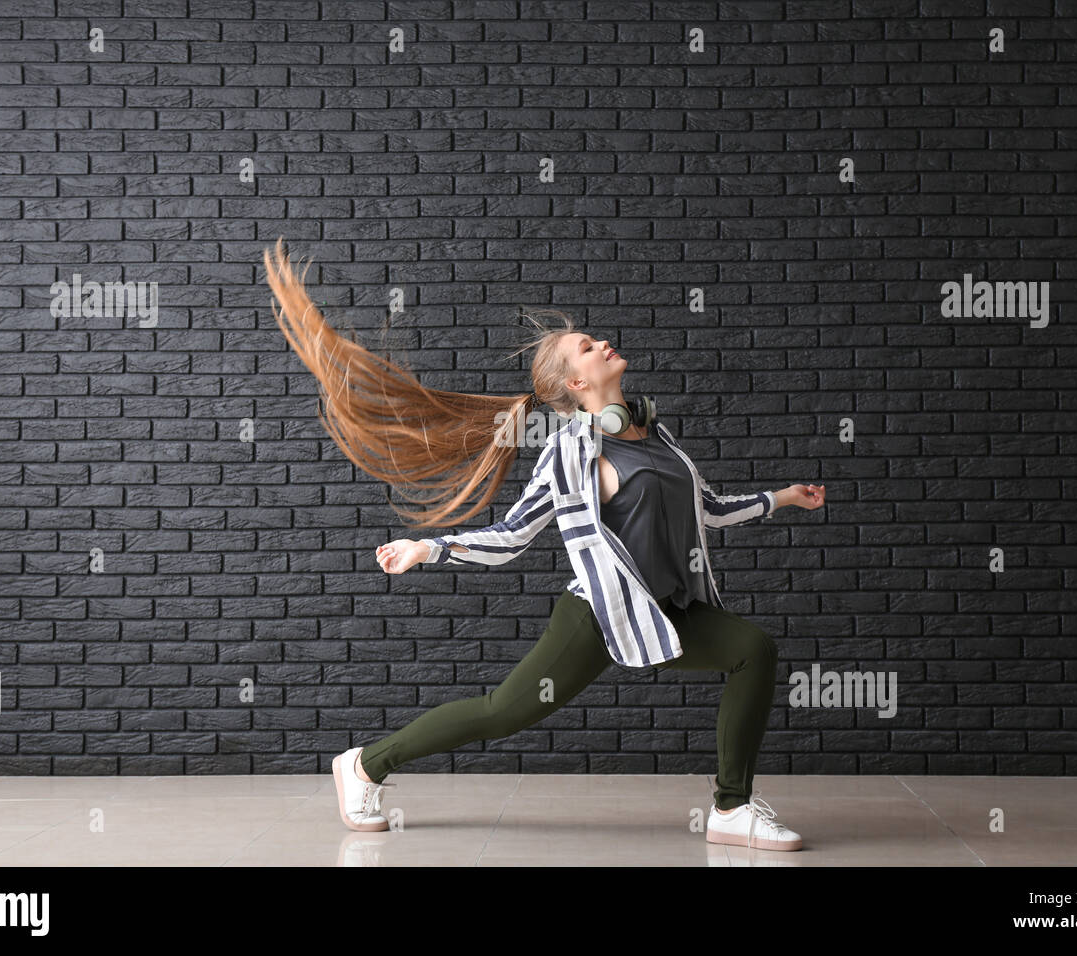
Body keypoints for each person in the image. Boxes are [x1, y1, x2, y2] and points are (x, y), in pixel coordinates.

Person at [262, 239, 827, 852]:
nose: (601, 342)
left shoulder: (654, 434)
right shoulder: (573, 449)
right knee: (502, 712)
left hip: (663, 614)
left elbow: (709, 510)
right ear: (574, 381)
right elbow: (513, 536)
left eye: (593, 337)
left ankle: (731, 809)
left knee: (753, 650)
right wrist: (431, 550)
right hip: (595, 613)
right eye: (585, 347)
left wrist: (783, 497)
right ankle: (366, 764)